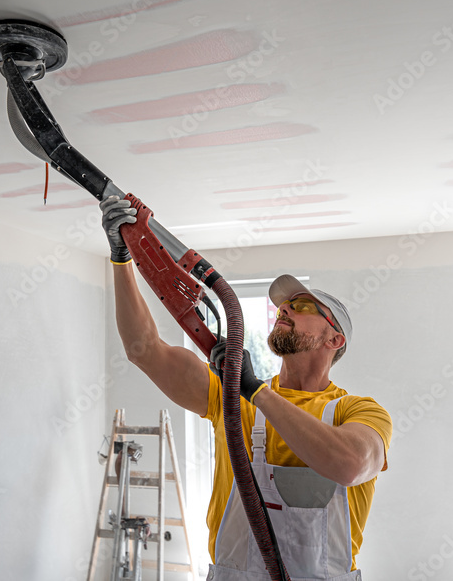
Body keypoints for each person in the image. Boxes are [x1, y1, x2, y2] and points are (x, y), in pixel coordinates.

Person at [100, 196, 392, 580]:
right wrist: (122, 259)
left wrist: (256, 391)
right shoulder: (229, 396)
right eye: (284, 306)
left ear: (334, 340)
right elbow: (145, 350)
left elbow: (350, 464)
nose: (285, 309)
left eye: (302, 307)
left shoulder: (358, 412)